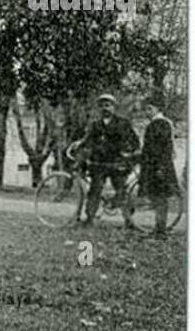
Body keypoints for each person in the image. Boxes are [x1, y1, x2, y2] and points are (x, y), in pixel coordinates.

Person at [76, 93, 140, 227]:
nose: (105, 108)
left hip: (117, 163)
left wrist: (129, 153)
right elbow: (88, 140)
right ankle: (89, 218)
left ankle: (129, 220)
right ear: (99, 108)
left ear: (114, 107)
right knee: (95, 190)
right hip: (99, 163)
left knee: (122, 191)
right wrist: (80, 144)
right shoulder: (95, 125)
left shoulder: (123, 123)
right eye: (102, 106)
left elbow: (134, 141)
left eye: (108, 105)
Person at [138, 98, 179, 238]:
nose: (147, 112)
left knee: (160, 198)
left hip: (159, 167)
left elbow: (165, 149)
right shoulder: (156, 123)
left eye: (149, 108)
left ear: (157, 109)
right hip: (154, 166)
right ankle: (158, 228)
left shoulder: (161, 123)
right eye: (146, 109)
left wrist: (161, 168)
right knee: (156, 198)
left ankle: (161, 231)